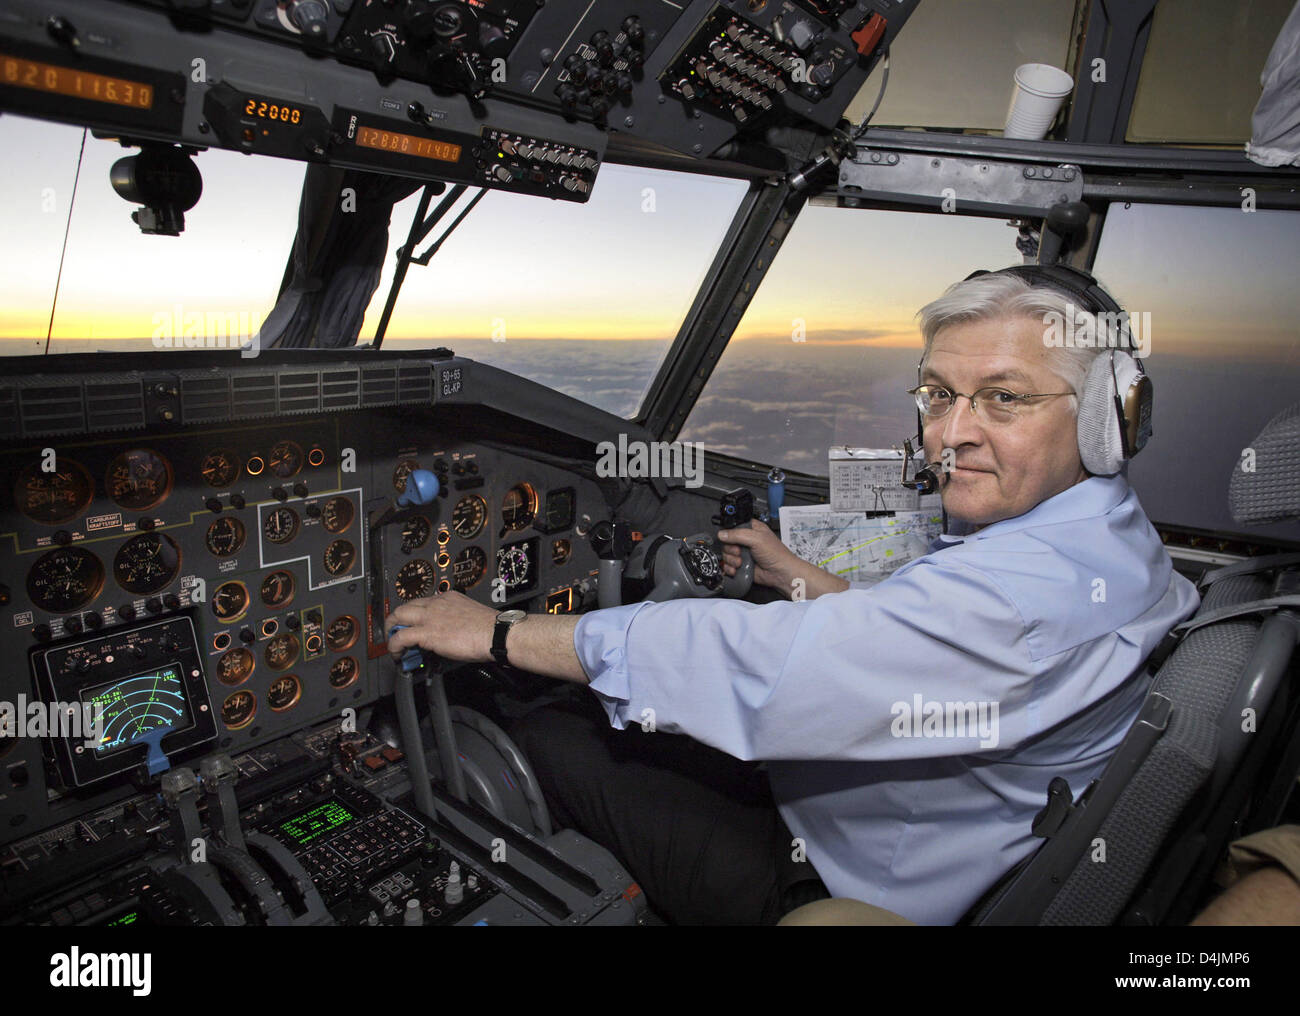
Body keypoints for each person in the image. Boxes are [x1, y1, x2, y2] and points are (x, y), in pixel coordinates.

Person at [387, 267, 1200, 924]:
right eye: (939, 396)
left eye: (1004, 397)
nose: (951, 436)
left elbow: (756, 665)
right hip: (901, 815)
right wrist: (804, 581)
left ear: (1106, 418)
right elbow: (922, 642)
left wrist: (499, 635)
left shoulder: (1031, 595)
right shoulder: (1110, 542)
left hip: (832, 877)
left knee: (542, 726)